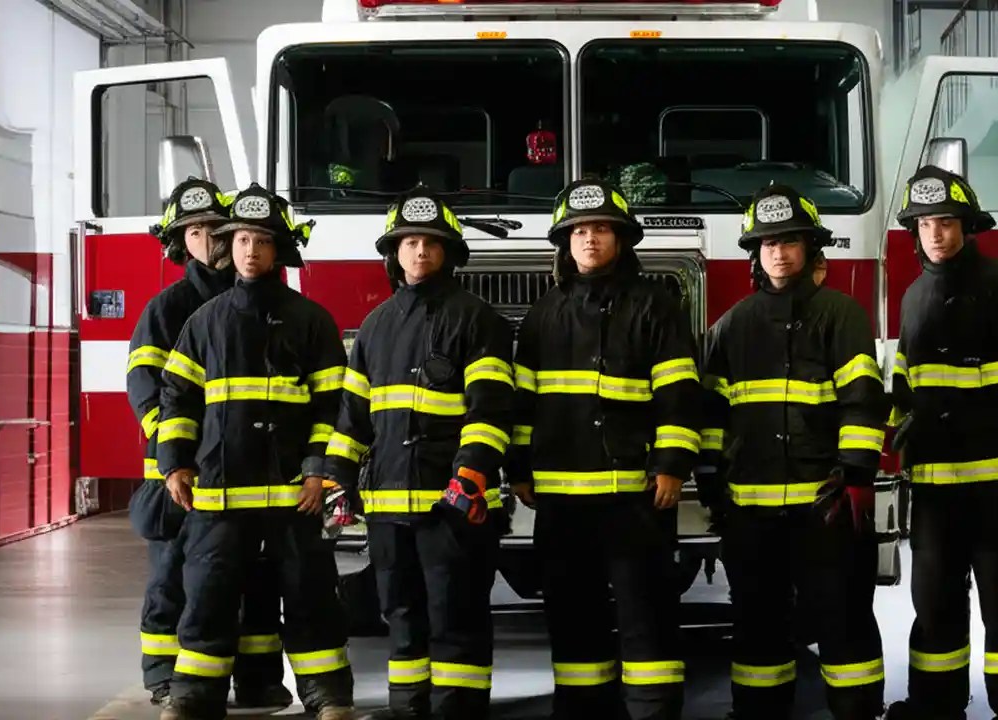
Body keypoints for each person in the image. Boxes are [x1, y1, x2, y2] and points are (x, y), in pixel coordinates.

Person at [156, 183, 355, 720]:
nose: (250, 250)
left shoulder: (312, 322)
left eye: (263, 241)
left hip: (295, 496)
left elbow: (332, 407)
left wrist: (318, 472)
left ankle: (328, 697)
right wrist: (174, 460)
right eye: (242, 239)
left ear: (279, 250)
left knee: (309, 594)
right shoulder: (205, 322)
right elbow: (177, 395)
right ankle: (194, 698)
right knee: (209, 595)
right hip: (219, 493)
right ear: (230, 246)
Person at [508, 180, 702, 720]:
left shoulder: (655, 307)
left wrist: (670, 465)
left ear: (621, 240)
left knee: (648, 613)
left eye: (601, 230)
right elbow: (524, 403)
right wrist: (518, 467)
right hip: (561, 501)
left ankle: (653, 709)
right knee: (572, 614)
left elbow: (679, 394)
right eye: (579, 231)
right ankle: (581, 709)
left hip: (634, 498)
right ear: (565, 243)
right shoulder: (544, 314)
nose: (590, 239)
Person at [324, 188, 514, 720]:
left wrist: (471, 477)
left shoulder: (479, 320)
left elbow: (490, 408)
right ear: (395, 253)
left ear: (449, 252)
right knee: (400, 614)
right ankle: (408, 707)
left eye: (431, 243)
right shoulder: (376, 327)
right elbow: (353, 416)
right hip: (387, 505)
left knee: (456, 613)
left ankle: (459, 710)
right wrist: (339, 475)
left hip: (451, 506)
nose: (420, 252)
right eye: (409, 242)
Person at [886, 166, 998, 720]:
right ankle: (936, 705)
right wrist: (899, 450)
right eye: (924, 224)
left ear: (967, 225)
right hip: (936, 488)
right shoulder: (915, 296)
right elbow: (904, 382)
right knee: (935, 604)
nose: (935, 233)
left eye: (945, 221)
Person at [698, 185, 886, 720]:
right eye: (767, 244)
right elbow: (713, 412)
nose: (778, 253)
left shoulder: (841, 316)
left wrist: (857, 475)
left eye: (789, 242)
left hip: (824, 506)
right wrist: (712, 477)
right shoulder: (733, 325)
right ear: (755, 255)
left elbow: (862, 401)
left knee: (844, 617)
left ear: (810, 249)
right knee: (758, 624)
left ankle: (856, 712)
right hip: (751, 509)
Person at [126, 178, 291, 711]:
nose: (209, 241)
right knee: (173, 578)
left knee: (254, 580)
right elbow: (150, 395)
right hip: (184, 478)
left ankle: (259, 678)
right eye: (195, 232)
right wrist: (182, 456)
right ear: (180, 243)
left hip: (244, 476)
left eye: (216, 230)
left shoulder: (255, 302)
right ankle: (164, 674)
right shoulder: (166, 310)